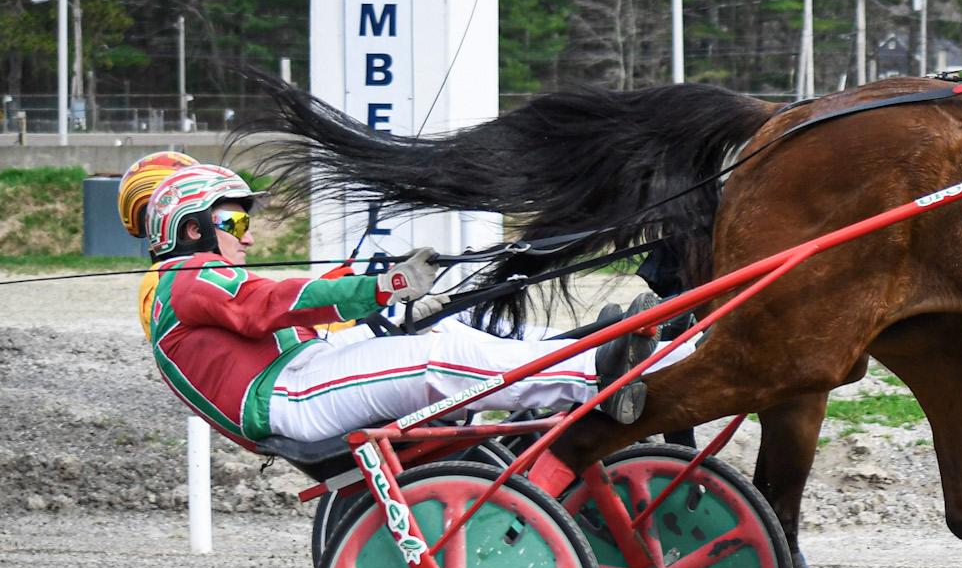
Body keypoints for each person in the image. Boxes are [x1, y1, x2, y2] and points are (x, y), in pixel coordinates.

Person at [124, 157, 666, 449]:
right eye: (235, 221)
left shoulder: (194, 282)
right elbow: (267, 304)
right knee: (435, 362)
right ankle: (596, 374)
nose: (247, 236)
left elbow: (290, 306)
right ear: (191, 229)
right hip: (287, 397)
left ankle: (580, 351)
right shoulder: (184, 277)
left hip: (301, 374)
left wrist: (381, 287)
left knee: (446, 335)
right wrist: (383, 288)